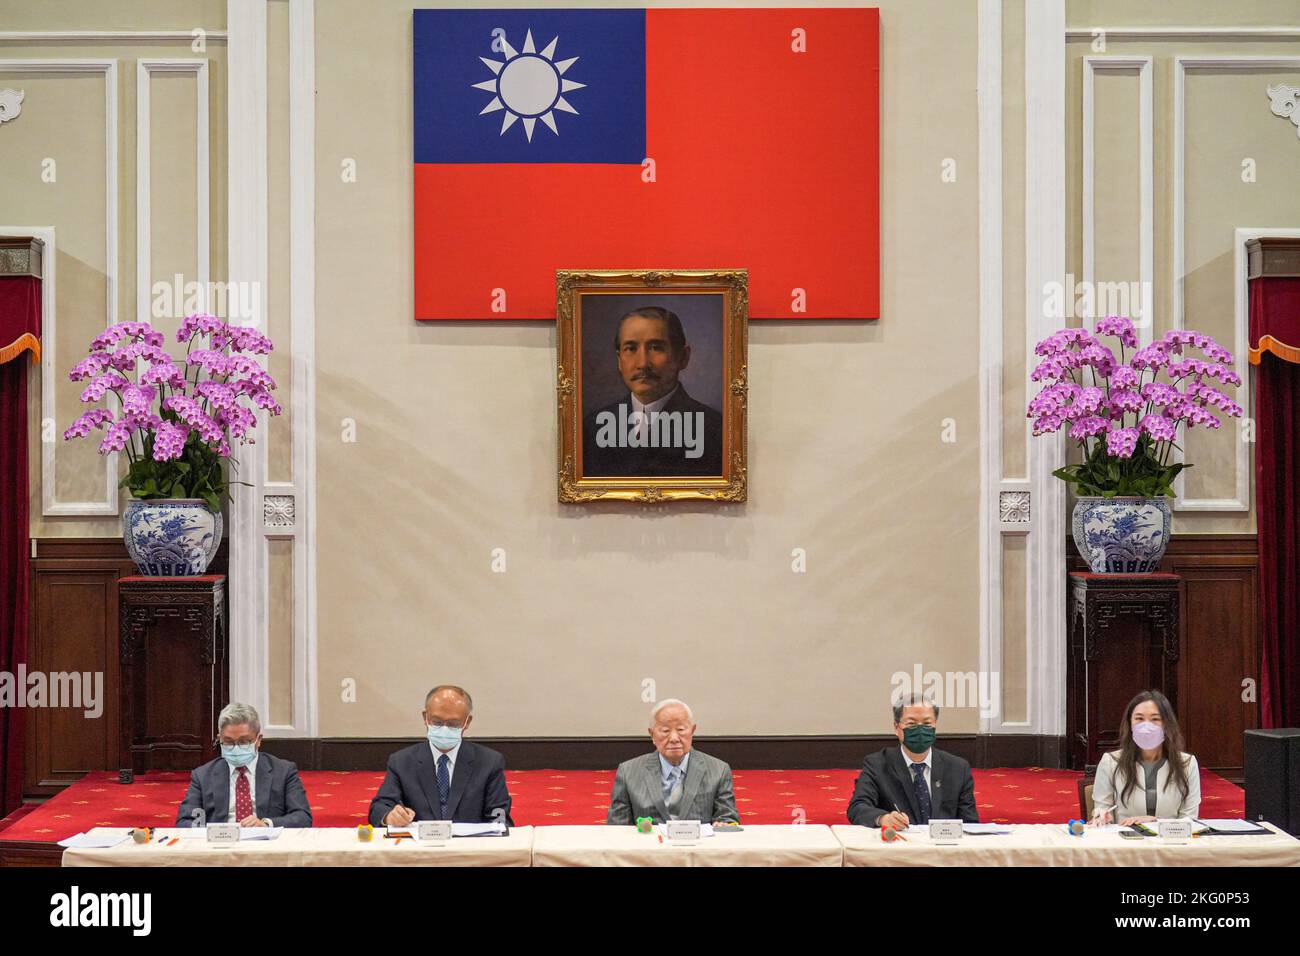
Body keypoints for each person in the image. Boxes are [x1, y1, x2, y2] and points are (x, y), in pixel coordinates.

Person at [582, 306, 724, 477]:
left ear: (683, 357)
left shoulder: (716, 431)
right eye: (631, 348)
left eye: (656, 347)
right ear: (619, 360)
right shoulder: (592, 428)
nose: (642, 363)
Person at [369, 685, 513, 827]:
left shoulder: (489, 762)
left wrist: (496, 828)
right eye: (437, 722)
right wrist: (389, 816)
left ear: (467, 722)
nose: (444, 728)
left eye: (453, 724)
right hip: (419, 847)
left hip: (468, 847)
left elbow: (499, 813)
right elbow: (380, 807)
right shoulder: (401, 762)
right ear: (425, 717)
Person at [847, 693, 979, 828]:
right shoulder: (877, 765)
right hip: (900, 845)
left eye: (927, 723)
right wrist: (883, 819)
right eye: (911, 723)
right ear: (896, 727)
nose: (920, 730)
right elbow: (857, 808)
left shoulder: (957, 768)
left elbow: (971, 823)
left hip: (943, 846)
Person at [176, 702, 312, 828]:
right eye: (228, 742)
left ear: (258, 740)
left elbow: (302, 817)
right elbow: (185, 821)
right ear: (219, 739)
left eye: (243, 742)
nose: (236, 748)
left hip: (266, 845)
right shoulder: (203, 775)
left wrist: (266, 824)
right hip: (220, 846)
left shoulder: (283, 771)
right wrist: (212, 831)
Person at [606, 698, 739, 825]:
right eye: (665, 731)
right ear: (652, 735)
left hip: (697, 847)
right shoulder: (628, 772)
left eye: (681, 730)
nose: (674, 738)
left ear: (692, 731)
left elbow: (728, 817)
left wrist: (723, 825)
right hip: (650, 847)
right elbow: (618, 827)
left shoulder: (718, 770)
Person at [1088, 689, 1200, 825]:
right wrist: (1102, 817)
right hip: (1125, 841)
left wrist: (1155, 822)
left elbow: (1190, 821)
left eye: (1155, 719)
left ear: (1166, 725)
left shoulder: (1187, 764)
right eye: (1139, 719)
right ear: (1130, 724)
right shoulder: (1111, 762)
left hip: (1171, 842)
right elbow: (1102, 809)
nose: (1146, 726)